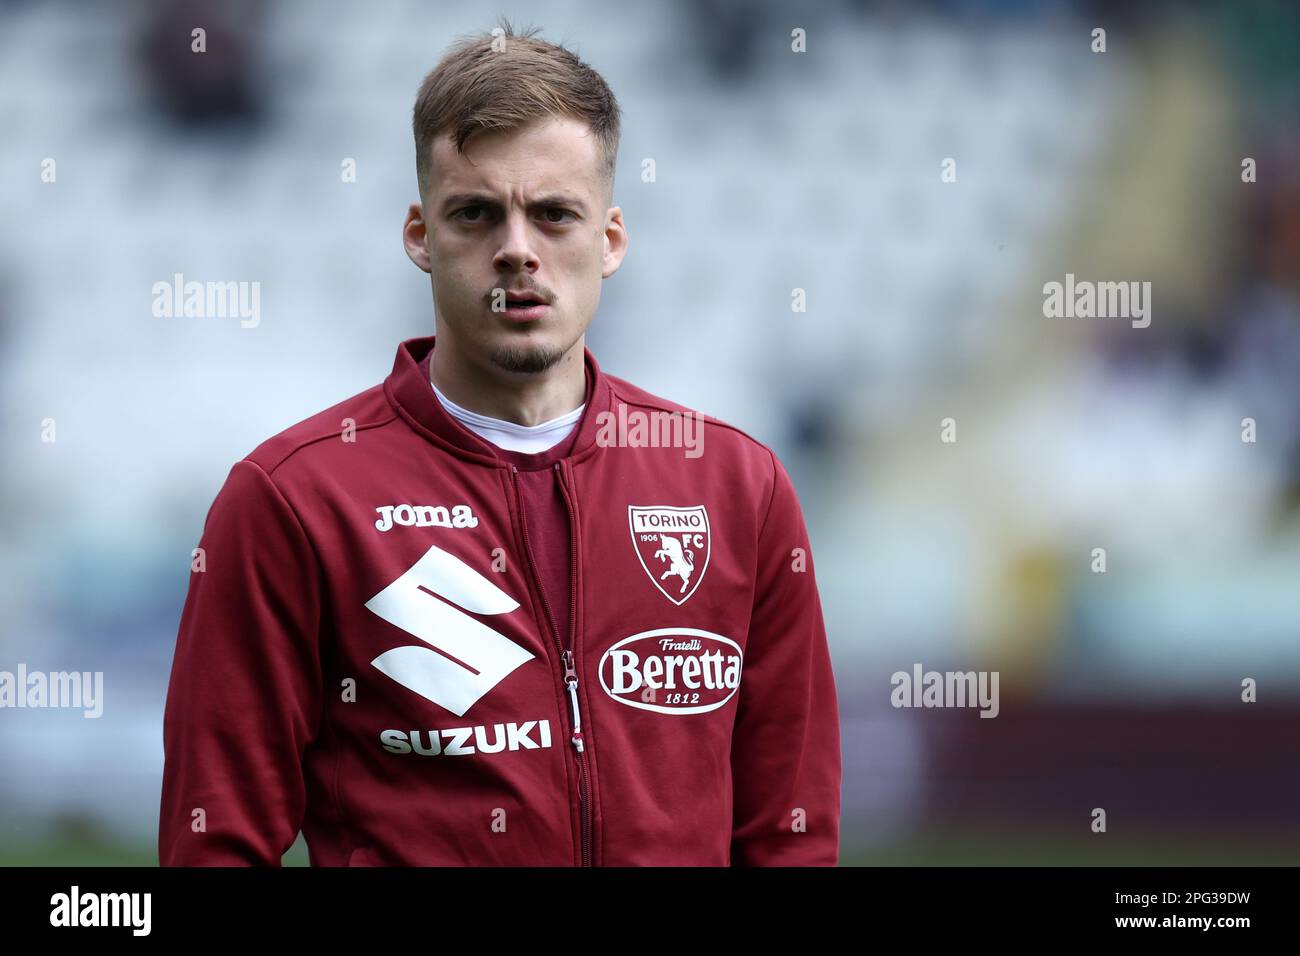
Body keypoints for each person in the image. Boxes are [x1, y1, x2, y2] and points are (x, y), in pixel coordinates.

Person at [159, 18, 840, 866]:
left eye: (555, 214)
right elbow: (216, 843)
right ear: (420, 236)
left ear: (611, 240)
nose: (518, 251)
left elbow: (790, 840)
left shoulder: (738, 488)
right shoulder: (294, 500)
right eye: (477, 214)